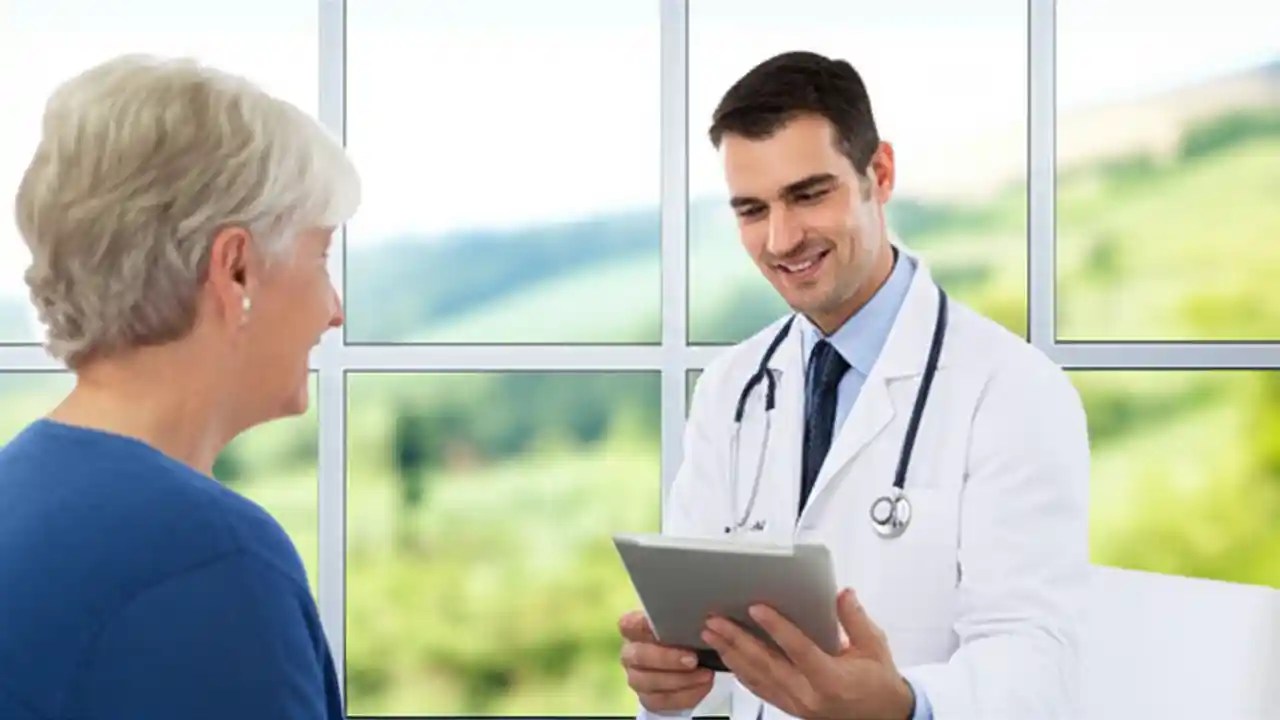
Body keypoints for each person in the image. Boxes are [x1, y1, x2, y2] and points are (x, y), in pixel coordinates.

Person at [618, 51, 1089, 720]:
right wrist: (669, 686)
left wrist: (905, 706)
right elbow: (706, 665)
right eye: (752, 209)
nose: (782, 239)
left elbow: (1039, 664)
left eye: (809, 194)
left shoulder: (1012, 391)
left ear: (880, 174)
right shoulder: (730, 390)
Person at [0, 54, 358, 719]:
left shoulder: (18, 492)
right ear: (237, 270)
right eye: (321, 258)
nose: (335, 310)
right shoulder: (206, 560)